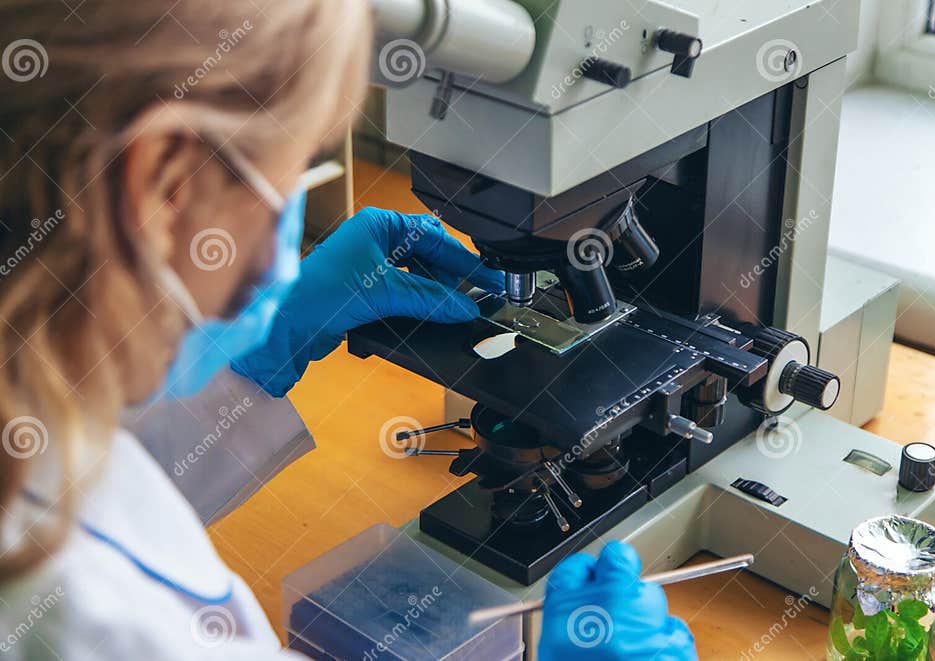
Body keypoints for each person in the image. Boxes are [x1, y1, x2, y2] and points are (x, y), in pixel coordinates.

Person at [0, 1, 697, 659]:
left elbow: (95, 480)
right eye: (296, 169)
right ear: (160, 184)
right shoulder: (83, 617)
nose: (294, 211)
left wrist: (267, 346)